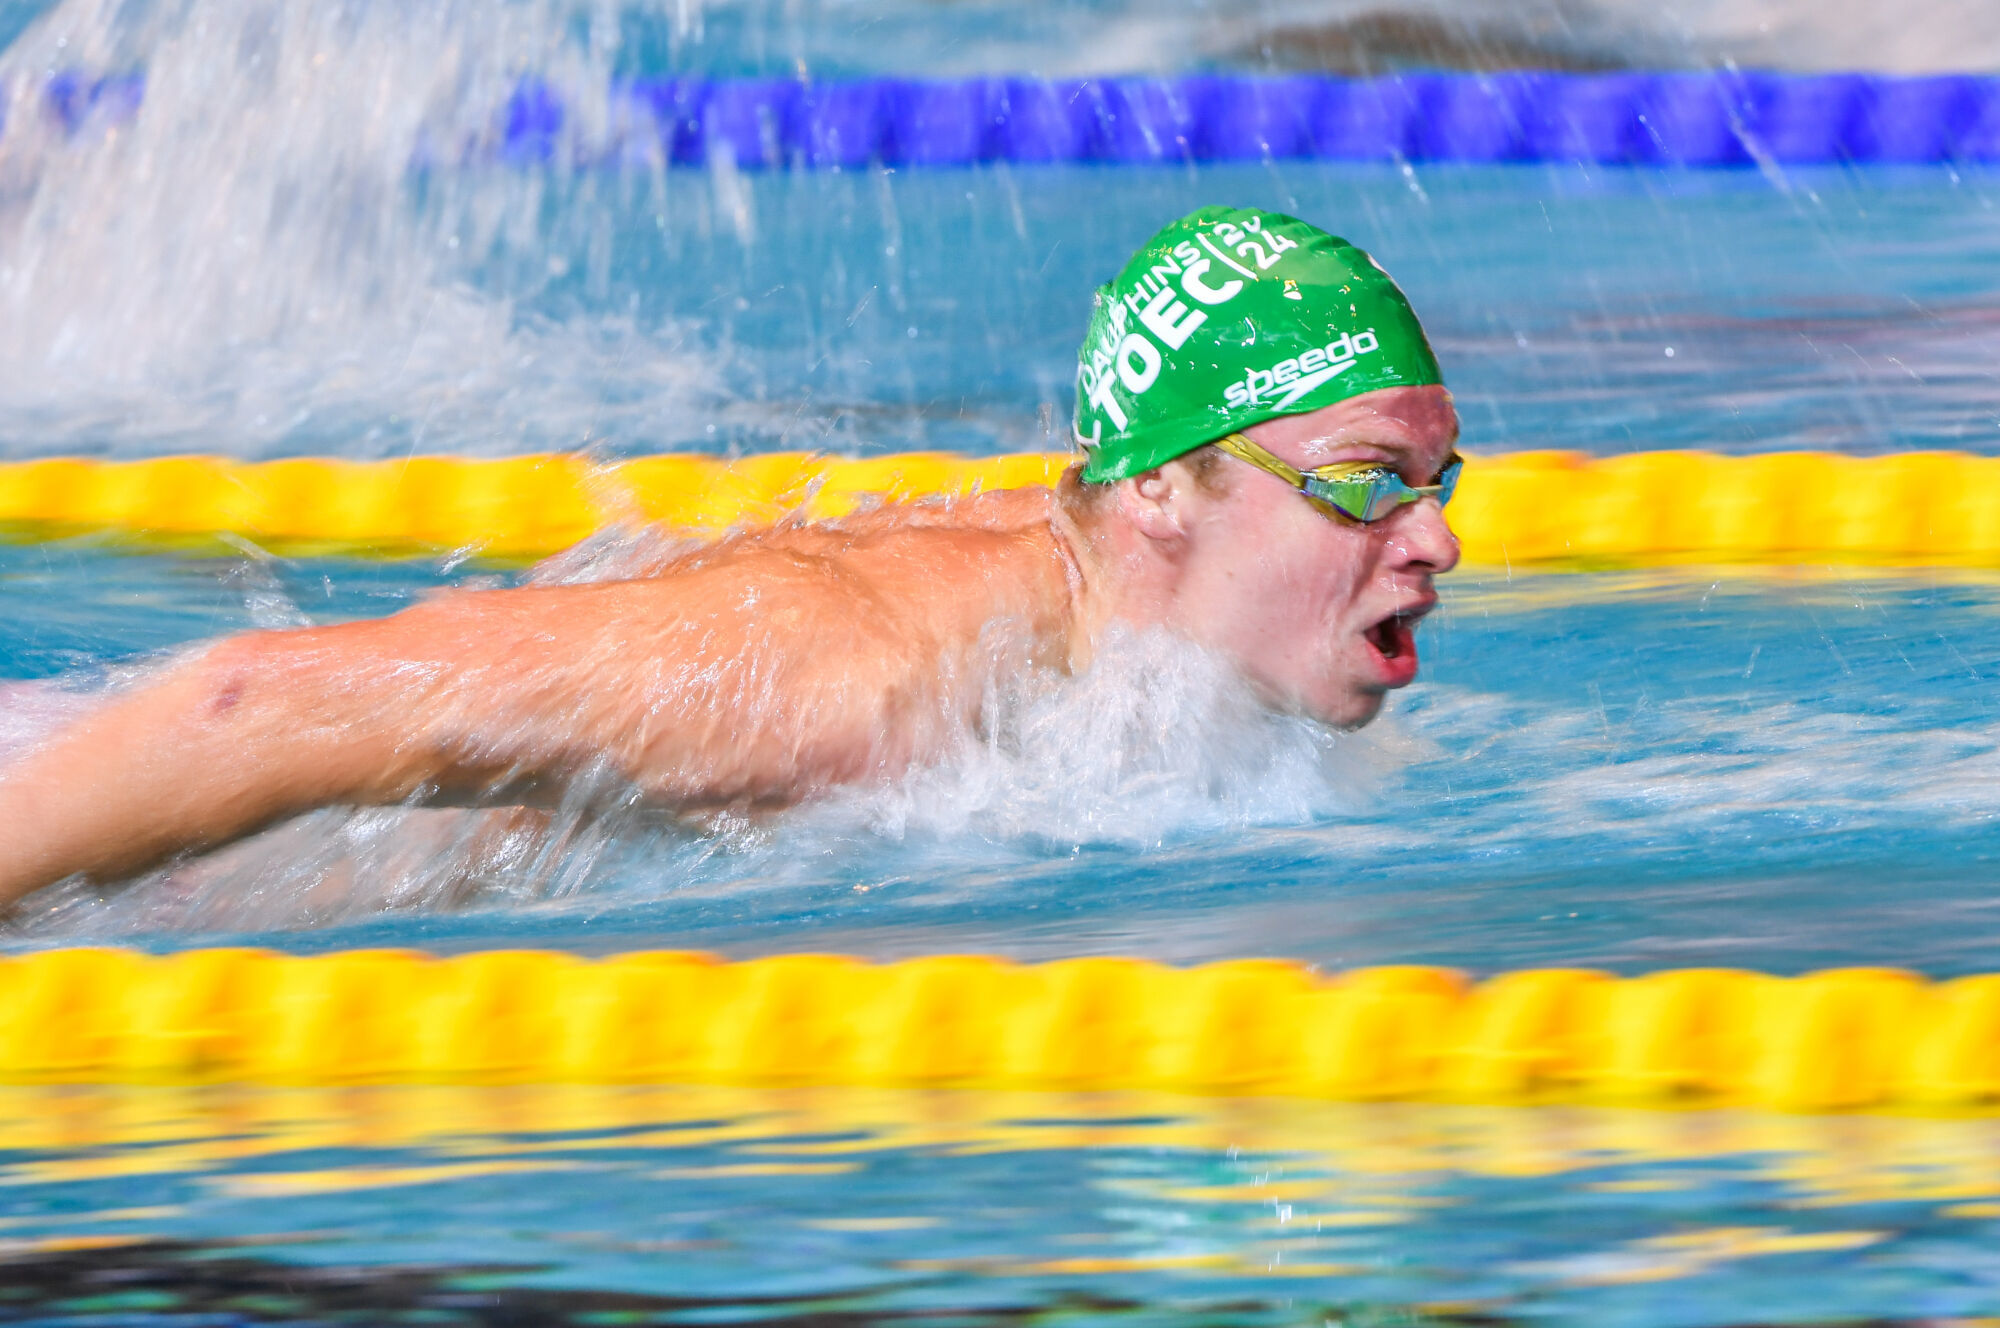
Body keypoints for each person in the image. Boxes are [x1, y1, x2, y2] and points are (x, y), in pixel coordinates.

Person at [0, 206, 1461, 907]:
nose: (1437, 539)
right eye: (1365, 486)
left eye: (1434, 481)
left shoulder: (1104, 620)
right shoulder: (849, 684)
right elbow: (252, 705)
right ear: (1162, 491)